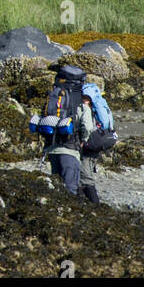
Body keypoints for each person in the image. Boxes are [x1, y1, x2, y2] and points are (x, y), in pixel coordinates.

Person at [45, 64, 92, 197]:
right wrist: (84, 140)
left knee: (56, 186)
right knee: (70, 188)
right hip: (70, 151)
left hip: (52, 149)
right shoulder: (82, 106)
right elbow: (87, 127)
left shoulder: (56, 101)